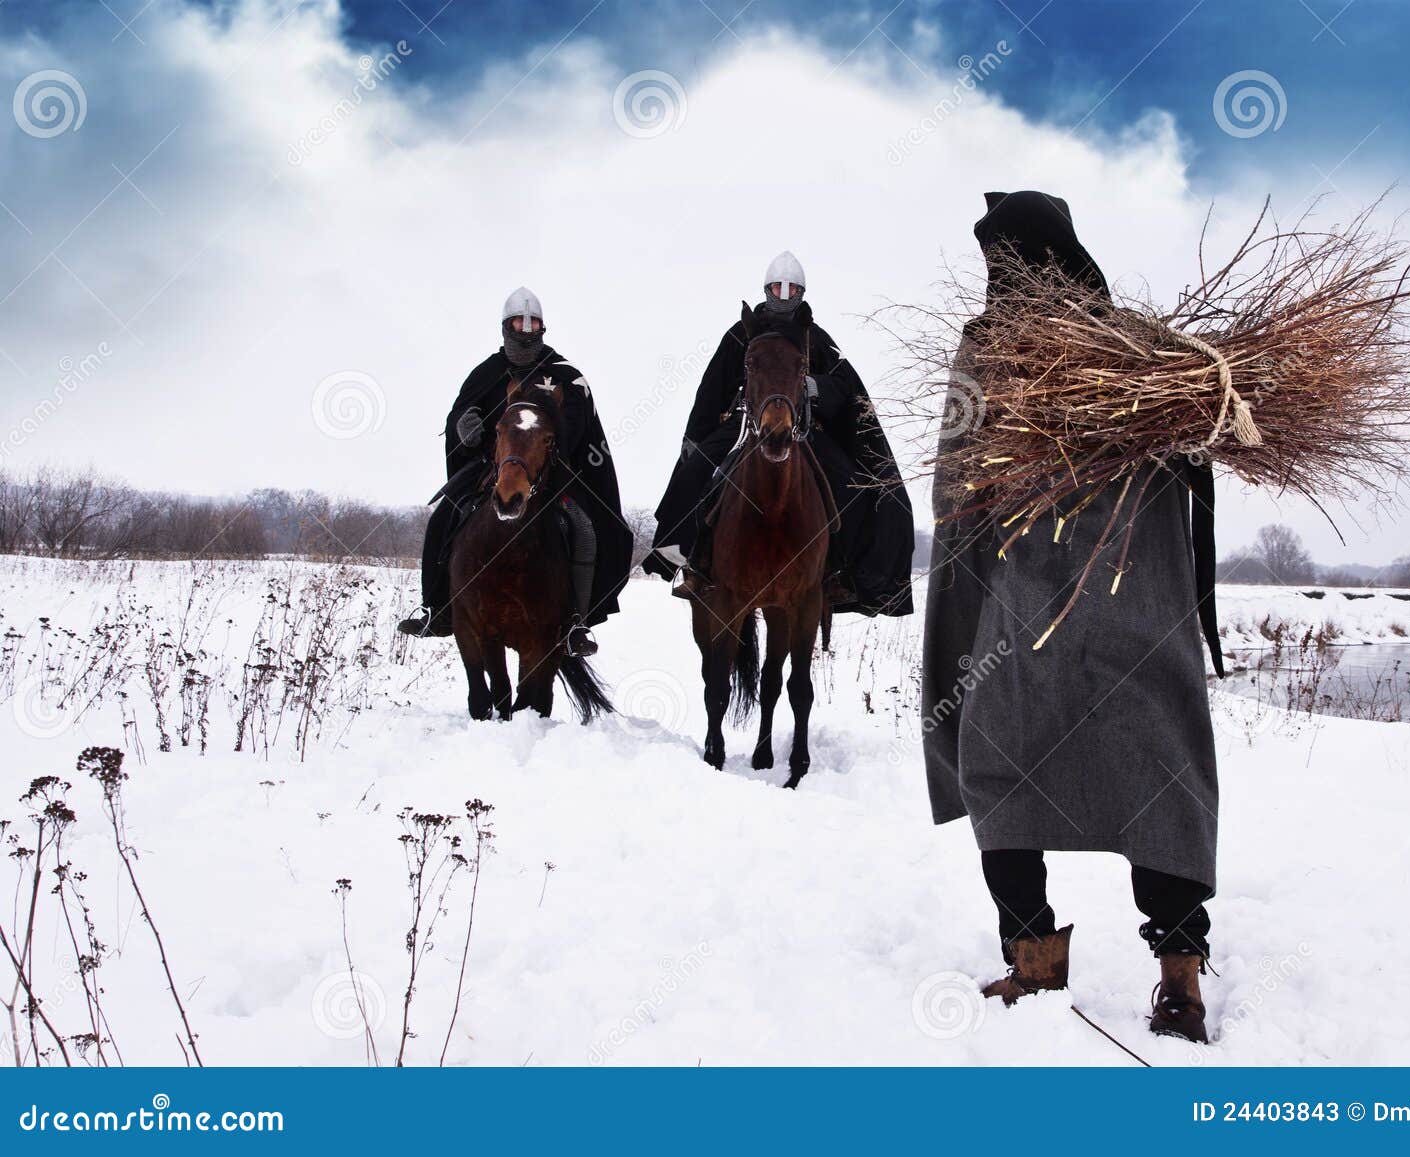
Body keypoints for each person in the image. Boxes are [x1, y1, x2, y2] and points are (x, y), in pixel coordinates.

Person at [921, 192, 1226, 1044]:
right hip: (1119, 605)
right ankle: (1168, 981)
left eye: (1004, 263)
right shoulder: (1139, 341)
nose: (998, 283)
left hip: (1046, 609)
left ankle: (1052, 966)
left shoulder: (1006, 348)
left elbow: (956, 478)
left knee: (1003, 763)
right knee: (1156, 773)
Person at [642, 252, 913, 617]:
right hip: (743, 422)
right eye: (777, 287)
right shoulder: (740, 334)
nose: (783, 294)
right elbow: (712, 387)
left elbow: (845, 387)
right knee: (699, 471)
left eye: (792, 288)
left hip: (802, 429)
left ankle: (840, 571)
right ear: (766, 289)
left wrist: (814, 388)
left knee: (851, 486)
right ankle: (693, 561)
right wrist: (697, 436)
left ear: (802, 292)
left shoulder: (814, 337)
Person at [399, 287, 632, 657]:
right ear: (505, 326)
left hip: (554, 472)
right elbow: (460, 412)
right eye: (519, 322)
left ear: (543, 327)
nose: (526, 328)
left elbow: (578, 424)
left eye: (533, 322)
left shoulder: (566, 375)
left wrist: (546, 445)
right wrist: (465, 426)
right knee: (445, 514)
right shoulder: (487, 374)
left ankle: (575, 621)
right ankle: (437, 607)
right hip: (490, 470)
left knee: (586, 529)